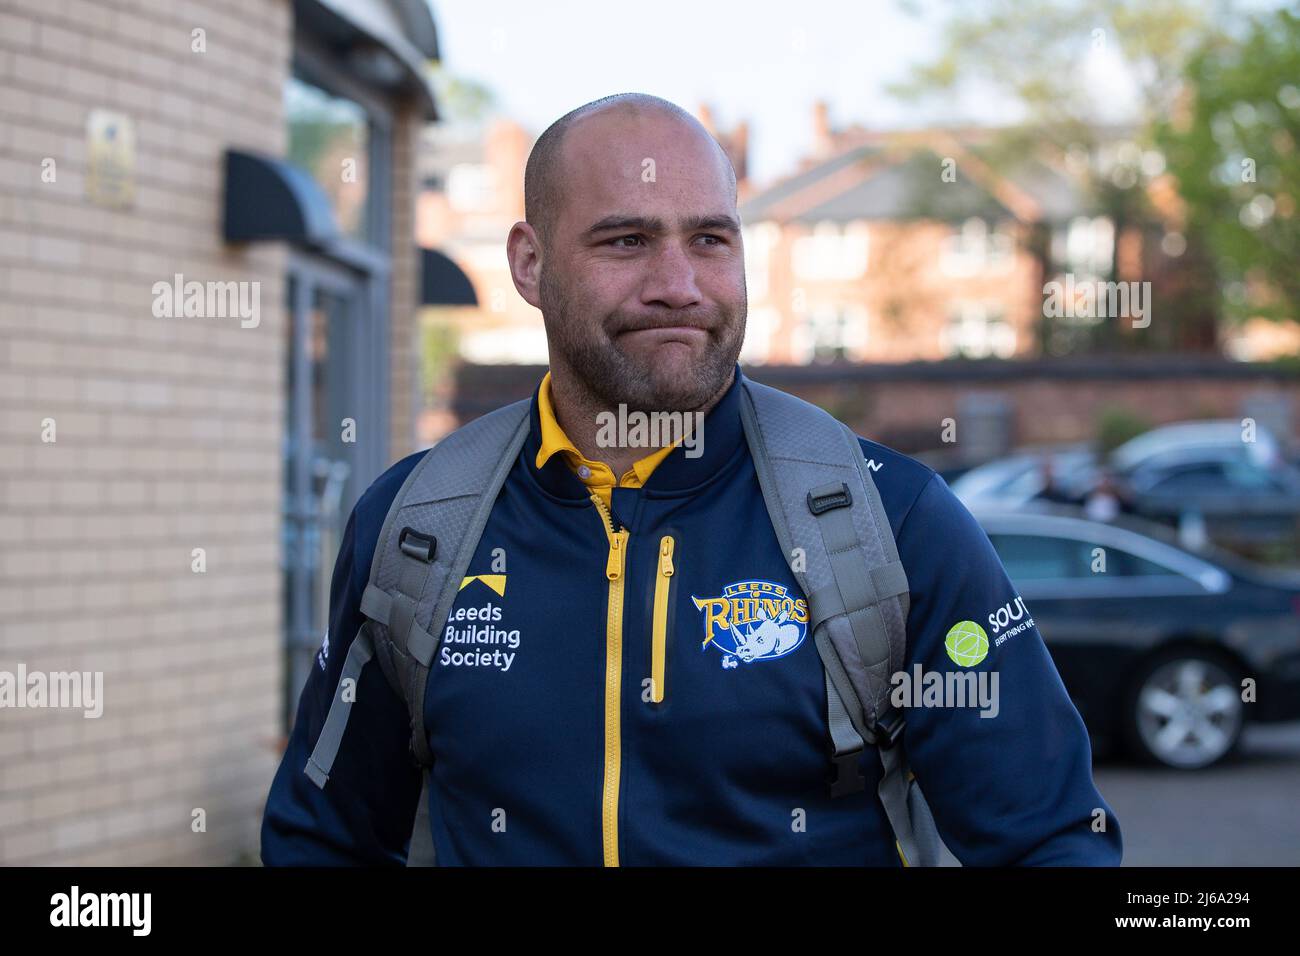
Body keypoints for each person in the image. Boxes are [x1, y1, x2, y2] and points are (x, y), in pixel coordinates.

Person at [261, 93, 1122, 866]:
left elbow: (1050, 842)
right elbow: (323, 838)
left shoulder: (888, 521)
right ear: (529, 263)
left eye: (710, 239)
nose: (678, 286)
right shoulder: (418, 524)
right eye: (627, 241)